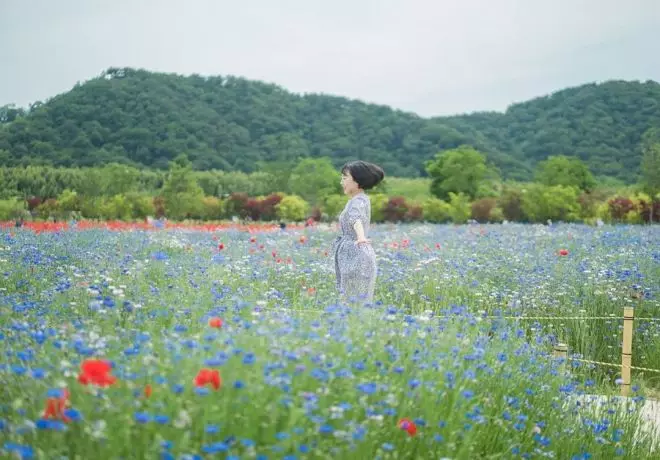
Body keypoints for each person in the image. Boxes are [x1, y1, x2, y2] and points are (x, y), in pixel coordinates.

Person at [332, 160, 385, 304]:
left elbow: (356, 219)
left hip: (355, 253)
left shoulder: (357, 201)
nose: (341, 181)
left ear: (357, 181)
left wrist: (361, 237)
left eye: (344, 178)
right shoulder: (359, 199)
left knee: (351, 300)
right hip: (353, 251)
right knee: (353, 299)